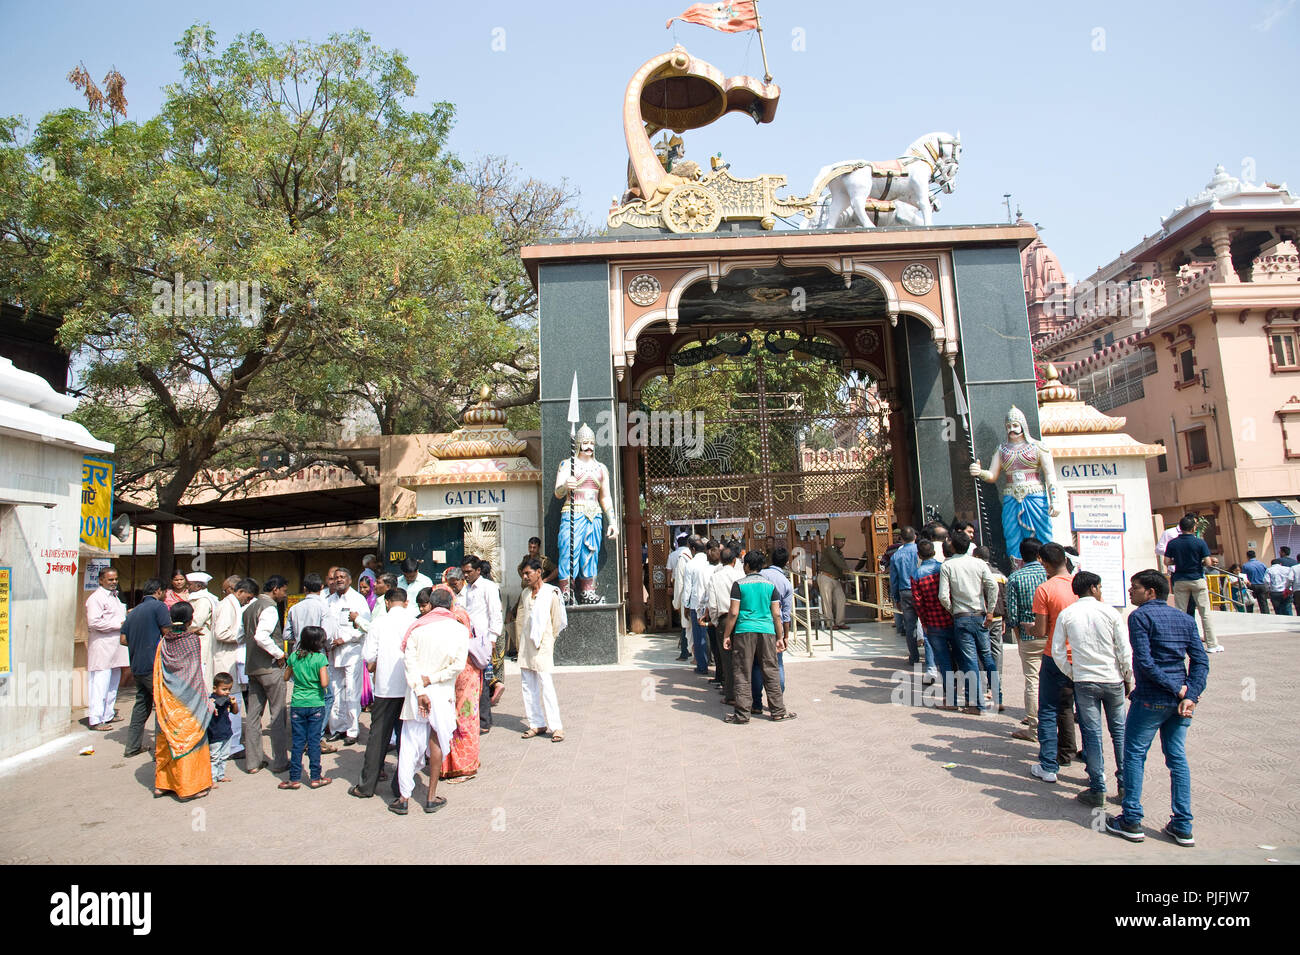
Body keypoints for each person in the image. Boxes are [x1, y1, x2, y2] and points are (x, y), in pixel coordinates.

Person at [1106, 570, 1209, 846]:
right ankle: (1183, 824)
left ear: (1150, 591)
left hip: (1152, 698)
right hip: (1178, 702)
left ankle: (1131, 818)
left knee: (1135, 755)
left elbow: (1146, 662)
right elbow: (1200, 661)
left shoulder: (1140, 617)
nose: (1130, 592)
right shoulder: (1185, 619)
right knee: (1177, 758)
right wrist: (1191, 694)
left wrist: (1182, 691)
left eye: (1135, 588)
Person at [1051, 572, 1131, 808]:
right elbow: (1124, 649)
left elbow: (1057, 651)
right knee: (1120, 733)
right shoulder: (1109, 612)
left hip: (1084, 679)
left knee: (1092, 734)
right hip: (1112, 678)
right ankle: (1126, 784)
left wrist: (1073, 673)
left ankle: (1097, 787)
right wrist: (1127, 675)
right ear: (1094, 588)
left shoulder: (1067, 614)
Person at [392, 588, 468, 815]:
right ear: (450, 606)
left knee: (409, 744)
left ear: (431, 605)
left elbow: (409, 664)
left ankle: (404, 798)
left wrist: (419, 689)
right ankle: (431, 796)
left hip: (418, 694)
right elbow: (457, 666)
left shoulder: (417, 628)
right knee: (437, 741)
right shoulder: (458, 629)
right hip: (442, 693)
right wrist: (433, 679)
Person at [969, 407, 1060, 562]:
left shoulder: (1038, 447)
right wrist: (979, 472)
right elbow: (992, 475)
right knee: (1012, 534)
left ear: (1023, 426)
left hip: (1035, 496)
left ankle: (1047, 565)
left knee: (1043, 532)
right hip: (1011, 497)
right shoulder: (1002, 449)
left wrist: (1055, 500)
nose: (1012, 429)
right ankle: (1016, 567)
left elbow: (1050, 475)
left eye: (1015, 425)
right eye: (1009, 427)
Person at [351, 587, 414, 800]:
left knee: (378, 736)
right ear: (405, 603)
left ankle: (367, 785)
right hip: (408, 687)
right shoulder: (413, 621)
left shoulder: (379, 622)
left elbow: (368, 655)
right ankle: (401, 786)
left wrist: (376, 663)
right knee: (407, 737)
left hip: (385, 688)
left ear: (387, 603)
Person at [721, 550, 794, 724]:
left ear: (746, 565)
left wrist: (726, 635)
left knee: (742, 671)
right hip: (767, 630)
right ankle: (778, 711)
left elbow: (733, 612)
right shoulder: (770, 586)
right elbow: (777, 614)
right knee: (771, 670)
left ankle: (743, 714)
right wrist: (780, 636)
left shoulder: (739, 585)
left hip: (744, 631)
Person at [1029, 543, 1080, 783]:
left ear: (1045, 563)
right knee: (1081, 710)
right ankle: (1088, 760)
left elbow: (1040, 630)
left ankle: (1049, 765)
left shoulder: (1045, 589)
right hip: (1082, 657)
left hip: (1055, 655)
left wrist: (1029, 627)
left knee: (1048, 709)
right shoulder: (1082, 586)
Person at [153, 601, 213, 800]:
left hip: (169, 699)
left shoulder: (163, 641)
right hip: (189, 699)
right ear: (190, 619)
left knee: (169, 737)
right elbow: (194, 669)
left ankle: (163, 785)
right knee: (190, 739)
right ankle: (189, 787)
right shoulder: (192, 641)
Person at [939, 529, 999, 714]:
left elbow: (943, 596)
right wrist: (990, 611)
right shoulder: (979, 563)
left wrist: (953, 610)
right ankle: (998, 697)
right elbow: (993, 586)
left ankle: (977, 704)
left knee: (970, 661)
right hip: (980, 615)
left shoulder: (947, 566)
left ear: (954, 546)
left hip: (962, 617)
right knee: (987, 657)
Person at [239, 576, 290, 774]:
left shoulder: (249, 607)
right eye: (284, 591)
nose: (284, 595)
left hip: (253, 667)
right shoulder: (269, 608)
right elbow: (261, 636)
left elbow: (240, 636)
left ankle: (253, 762)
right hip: (269, 668)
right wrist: (279, 654)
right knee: (277, 714)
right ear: (275, 589)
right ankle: (280, 761)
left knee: (253, 715)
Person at [516, 557, 569, 742]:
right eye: (523, 574)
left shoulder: (551, 593)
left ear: (539, 572)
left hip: (544, 644)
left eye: (528, 573)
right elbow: (521, 619)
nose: (525, 577)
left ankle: (556, 727)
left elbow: (557, 621)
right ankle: (536, 723)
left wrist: (548, 640)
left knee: (546, 683)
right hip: (526, 644)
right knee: (527, 685)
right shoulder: (524, 594)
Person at [121, 578, 171, 757]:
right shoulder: (159, 607)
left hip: (137, 665)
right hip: (153, 665)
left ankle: (132, 747)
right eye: (164, 591)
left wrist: (139, 643)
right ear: (158, 591)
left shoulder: (133, 612)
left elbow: (123, 640)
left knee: (141, 705)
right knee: (161, 706)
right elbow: (167, 632)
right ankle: (161, 752)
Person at [1005, 538, 1048, 741]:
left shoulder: (1015, 577)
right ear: (1040, 555)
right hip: (1053, 634)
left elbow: (1012, 614)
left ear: (1021, 556)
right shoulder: (1049, 575)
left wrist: (1018, 637)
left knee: (1032, 680)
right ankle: (1055, 722)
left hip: (1028, 635)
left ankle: (1035, 727)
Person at [281, 625, 332, 790]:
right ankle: (316, 777)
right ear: (318, 643)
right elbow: (324, 683)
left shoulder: (294, 657)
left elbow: (286, 677)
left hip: (297, 703)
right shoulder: (319, 659)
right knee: (314, 742)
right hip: (316, 703)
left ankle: (294, 778)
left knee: (298, 742)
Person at [325, 568, 371, 745]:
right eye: (336, 578)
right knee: (336, 691)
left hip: (352, 651)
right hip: (333, 652)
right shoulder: (329, 600)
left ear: (349, 580)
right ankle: (338, 728)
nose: (338, 580)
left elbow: (364, 626)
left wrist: (344, 639)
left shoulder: (357, 600)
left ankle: (352, 730)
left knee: (351, 690)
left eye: (342, 577)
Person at [1165, 515, 1222, 652]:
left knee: (1180, 612)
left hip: (1180, 580)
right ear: (1193, 528)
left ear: (1180, 527)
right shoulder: (1200, 543)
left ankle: (1180, 643)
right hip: (1197, 579)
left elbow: (1167, 562)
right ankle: (1212, 644)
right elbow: (1208, 563)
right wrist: (1200, 562)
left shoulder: (1173, 543)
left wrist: (1178, 561)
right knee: (1205, 613)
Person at [910, 539, 956, 709]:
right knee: (959, 657)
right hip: (951, 618)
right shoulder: (943, 568)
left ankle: (950, 697)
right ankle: (969, 694)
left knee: (943, 660)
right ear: (935, 552)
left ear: (919, 555)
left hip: (933, 621)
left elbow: (918, 603)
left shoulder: (916, 575)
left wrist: (924, 623)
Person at [460, 554, 502, 735]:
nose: (466, 575)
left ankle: (484, 721)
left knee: (484, 680)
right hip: (467, 639)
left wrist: (493, 638)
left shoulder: (489, 587)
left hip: (483, 640)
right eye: (464, 572)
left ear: (478, 570)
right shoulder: (465, 589)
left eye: (469, 572)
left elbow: (495, 613)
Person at [85, 566, 128, 731]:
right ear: (101, 580)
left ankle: (108, 714)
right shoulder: (96, 598)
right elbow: (94, 622)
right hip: (102, 646)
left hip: (116, 646)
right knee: (100, 682)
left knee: (113, 681)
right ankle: (96, 719)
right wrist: (119, 624)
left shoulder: (114, 596)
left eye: (116, 579)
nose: (114, 582)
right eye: (110, 580)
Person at [755, 545, 793, 716]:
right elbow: (785, 614)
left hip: (757, 626)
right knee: (777, 664)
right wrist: (785, 635)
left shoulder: (760, 576)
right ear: (786, 562)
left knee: (757, 665)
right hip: (774, 628)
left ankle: (756, 703)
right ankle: (777, 701)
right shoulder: (786, 583)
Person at [703, 544, 744, 703]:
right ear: (734, 560)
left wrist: (715, 620)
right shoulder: (740, 576)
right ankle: (743, 691)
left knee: (726, 658)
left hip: (723, 619)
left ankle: (730, 694)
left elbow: (712, 604)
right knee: (741, 657)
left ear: (721, 560)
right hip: (740, 618)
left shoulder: (715, 576)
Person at [212, 575, 246, 757]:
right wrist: (242, 635)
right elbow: (221, 633)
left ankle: (231, 744)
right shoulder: (227, 605)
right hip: (226, 660)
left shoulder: (232, 604)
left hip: (231, 659)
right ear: (237, 590)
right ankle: (232, 746)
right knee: (232, 701)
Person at [974, 545, 1008, 710]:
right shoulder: (1000, 574)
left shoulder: (978, 573)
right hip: (997, 616)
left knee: (982, 651)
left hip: (982, 616)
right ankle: (996, 683)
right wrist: (1004, 618)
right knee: (996, 649)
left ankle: (985, 685)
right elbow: (1004, 597)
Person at [888, 527, 921, 668]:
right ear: (915, 536)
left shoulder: (896, 555)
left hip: (905, 592)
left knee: (910, 625)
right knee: (927, 623)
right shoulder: (920, 551)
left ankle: (914, 657)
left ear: (901, 538)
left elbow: (893, 579)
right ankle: (932, 657)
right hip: (921, 590)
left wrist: (895, 598)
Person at [185, 571, 218, 683]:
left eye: (190, 584)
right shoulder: (196, 598)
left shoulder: (203, 600)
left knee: (201, 669)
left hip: (202, 638)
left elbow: (196, 622)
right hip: (194, 638)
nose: (187, 587)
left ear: (198, 586)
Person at [208, 672, 240, 784]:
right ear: (214, 688)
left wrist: (234, 703)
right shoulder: (211, 700)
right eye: (224, 689)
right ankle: (212, 778)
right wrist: (210, 705)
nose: (227, 692)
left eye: (229, 689)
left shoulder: (227, 699)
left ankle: (220, 775)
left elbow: (235, 712)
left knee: (224, 756)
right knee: (214, 757)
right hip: (214, 734)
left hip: (226, 732)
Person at [817, 534, 848, 629]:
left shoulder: (839, 552)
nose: (842, 543)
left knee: (841, 599)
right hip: (825, 577)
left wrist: (844, 576)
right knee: (827, 601)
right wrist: (848, 570)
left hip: (835, 579)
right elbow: (838, 562)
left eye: (843, 541)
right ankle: (830, 623)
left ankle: (840, 622)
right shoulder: (830, 549)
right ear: (835, 541)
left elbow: (840, 564)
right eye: (840, 541)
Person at [671, 533, 694, 660]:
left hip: (686, 596)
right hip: (701, 598)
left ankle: (685, 652)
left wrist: (677, 602)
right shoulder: (703, 559)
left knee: (686, 625)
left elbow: (679, 582)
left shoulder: (682, 558)